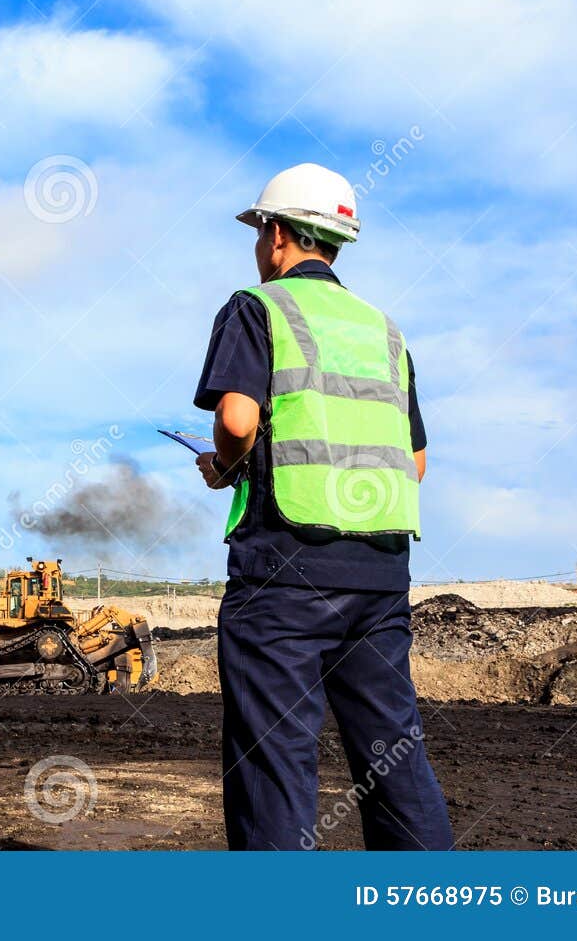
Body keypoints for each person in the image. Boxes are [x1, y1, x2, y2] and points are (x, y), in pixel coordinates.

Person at [192, 162, 452, 851]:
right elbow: (416, 461)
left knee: (275, 761)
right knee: (394, 756)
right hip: (379, 575)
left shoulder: (258, 307)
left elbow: (240, 421)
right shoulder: (385, 331)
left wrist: (222, 466)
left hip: (284, 570)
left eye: (259, 232)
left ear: (277, 235)